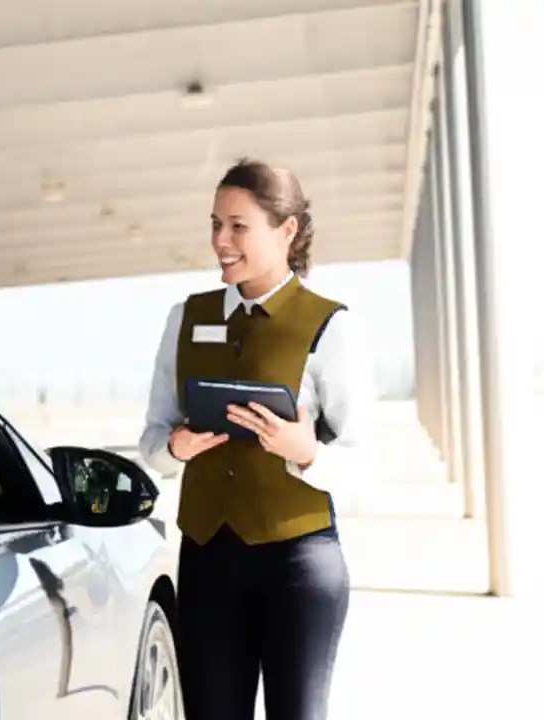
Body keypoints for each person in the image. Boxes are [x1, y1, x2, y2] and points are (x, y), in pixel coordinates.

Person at [138, 158, 374, 720]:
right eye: (215, 223)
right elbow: (150, 440)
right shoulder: (185, 319)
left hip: (299, 564)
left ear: (286, 231)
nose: (221, 239)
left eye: (238, 226)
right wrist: (175, 449)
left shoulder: (330, 325)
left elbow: (366, 462)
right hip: (207, 562)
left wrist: (306, 452)